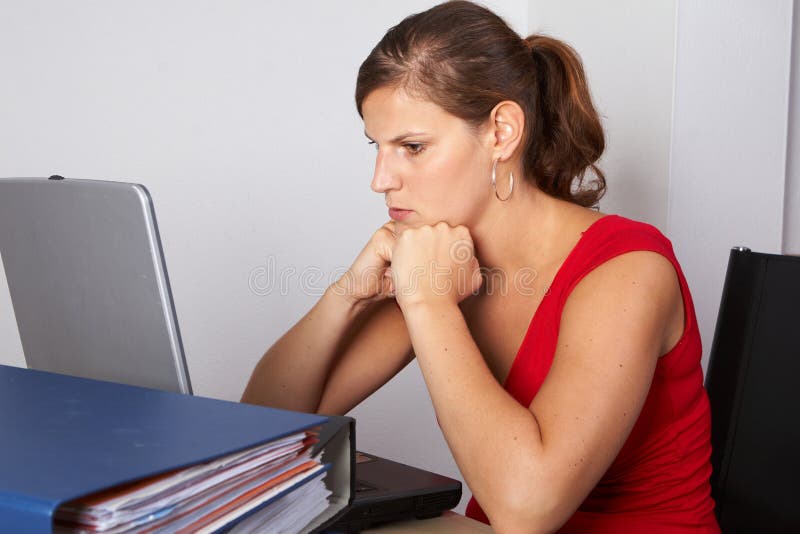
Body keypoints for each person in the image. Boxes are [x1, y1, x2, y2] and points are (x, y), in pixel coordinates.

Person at [242, 1, 720, 531]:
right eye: (376, 147)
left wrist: (426, 302)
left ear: (501, 132)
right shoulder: (443, 259)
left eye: (413, 147)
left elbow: (526, 509)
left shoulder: (628, 270)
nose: (380, 179)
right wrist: (346, 295)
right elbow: (259, 432)